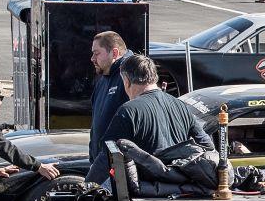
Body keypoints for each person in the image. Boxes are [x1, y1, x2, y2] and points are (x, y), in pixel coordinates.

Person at [84, 55, 213, 184]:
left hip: (146, 192)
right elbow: (207, 145)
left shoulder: (128, 110)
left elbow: (107, 155)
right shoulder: (181, 106)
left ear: (126, 80)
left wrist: (87, 188)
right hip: (180, 188)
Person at [89, 31, 133, 163]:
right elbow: (96, 125)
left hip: (120, 165)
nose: (92, 58)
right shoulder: (102, 79)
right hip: (100, 162)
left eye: (97, 53)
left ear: (114, 53)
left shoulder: (130, 76)